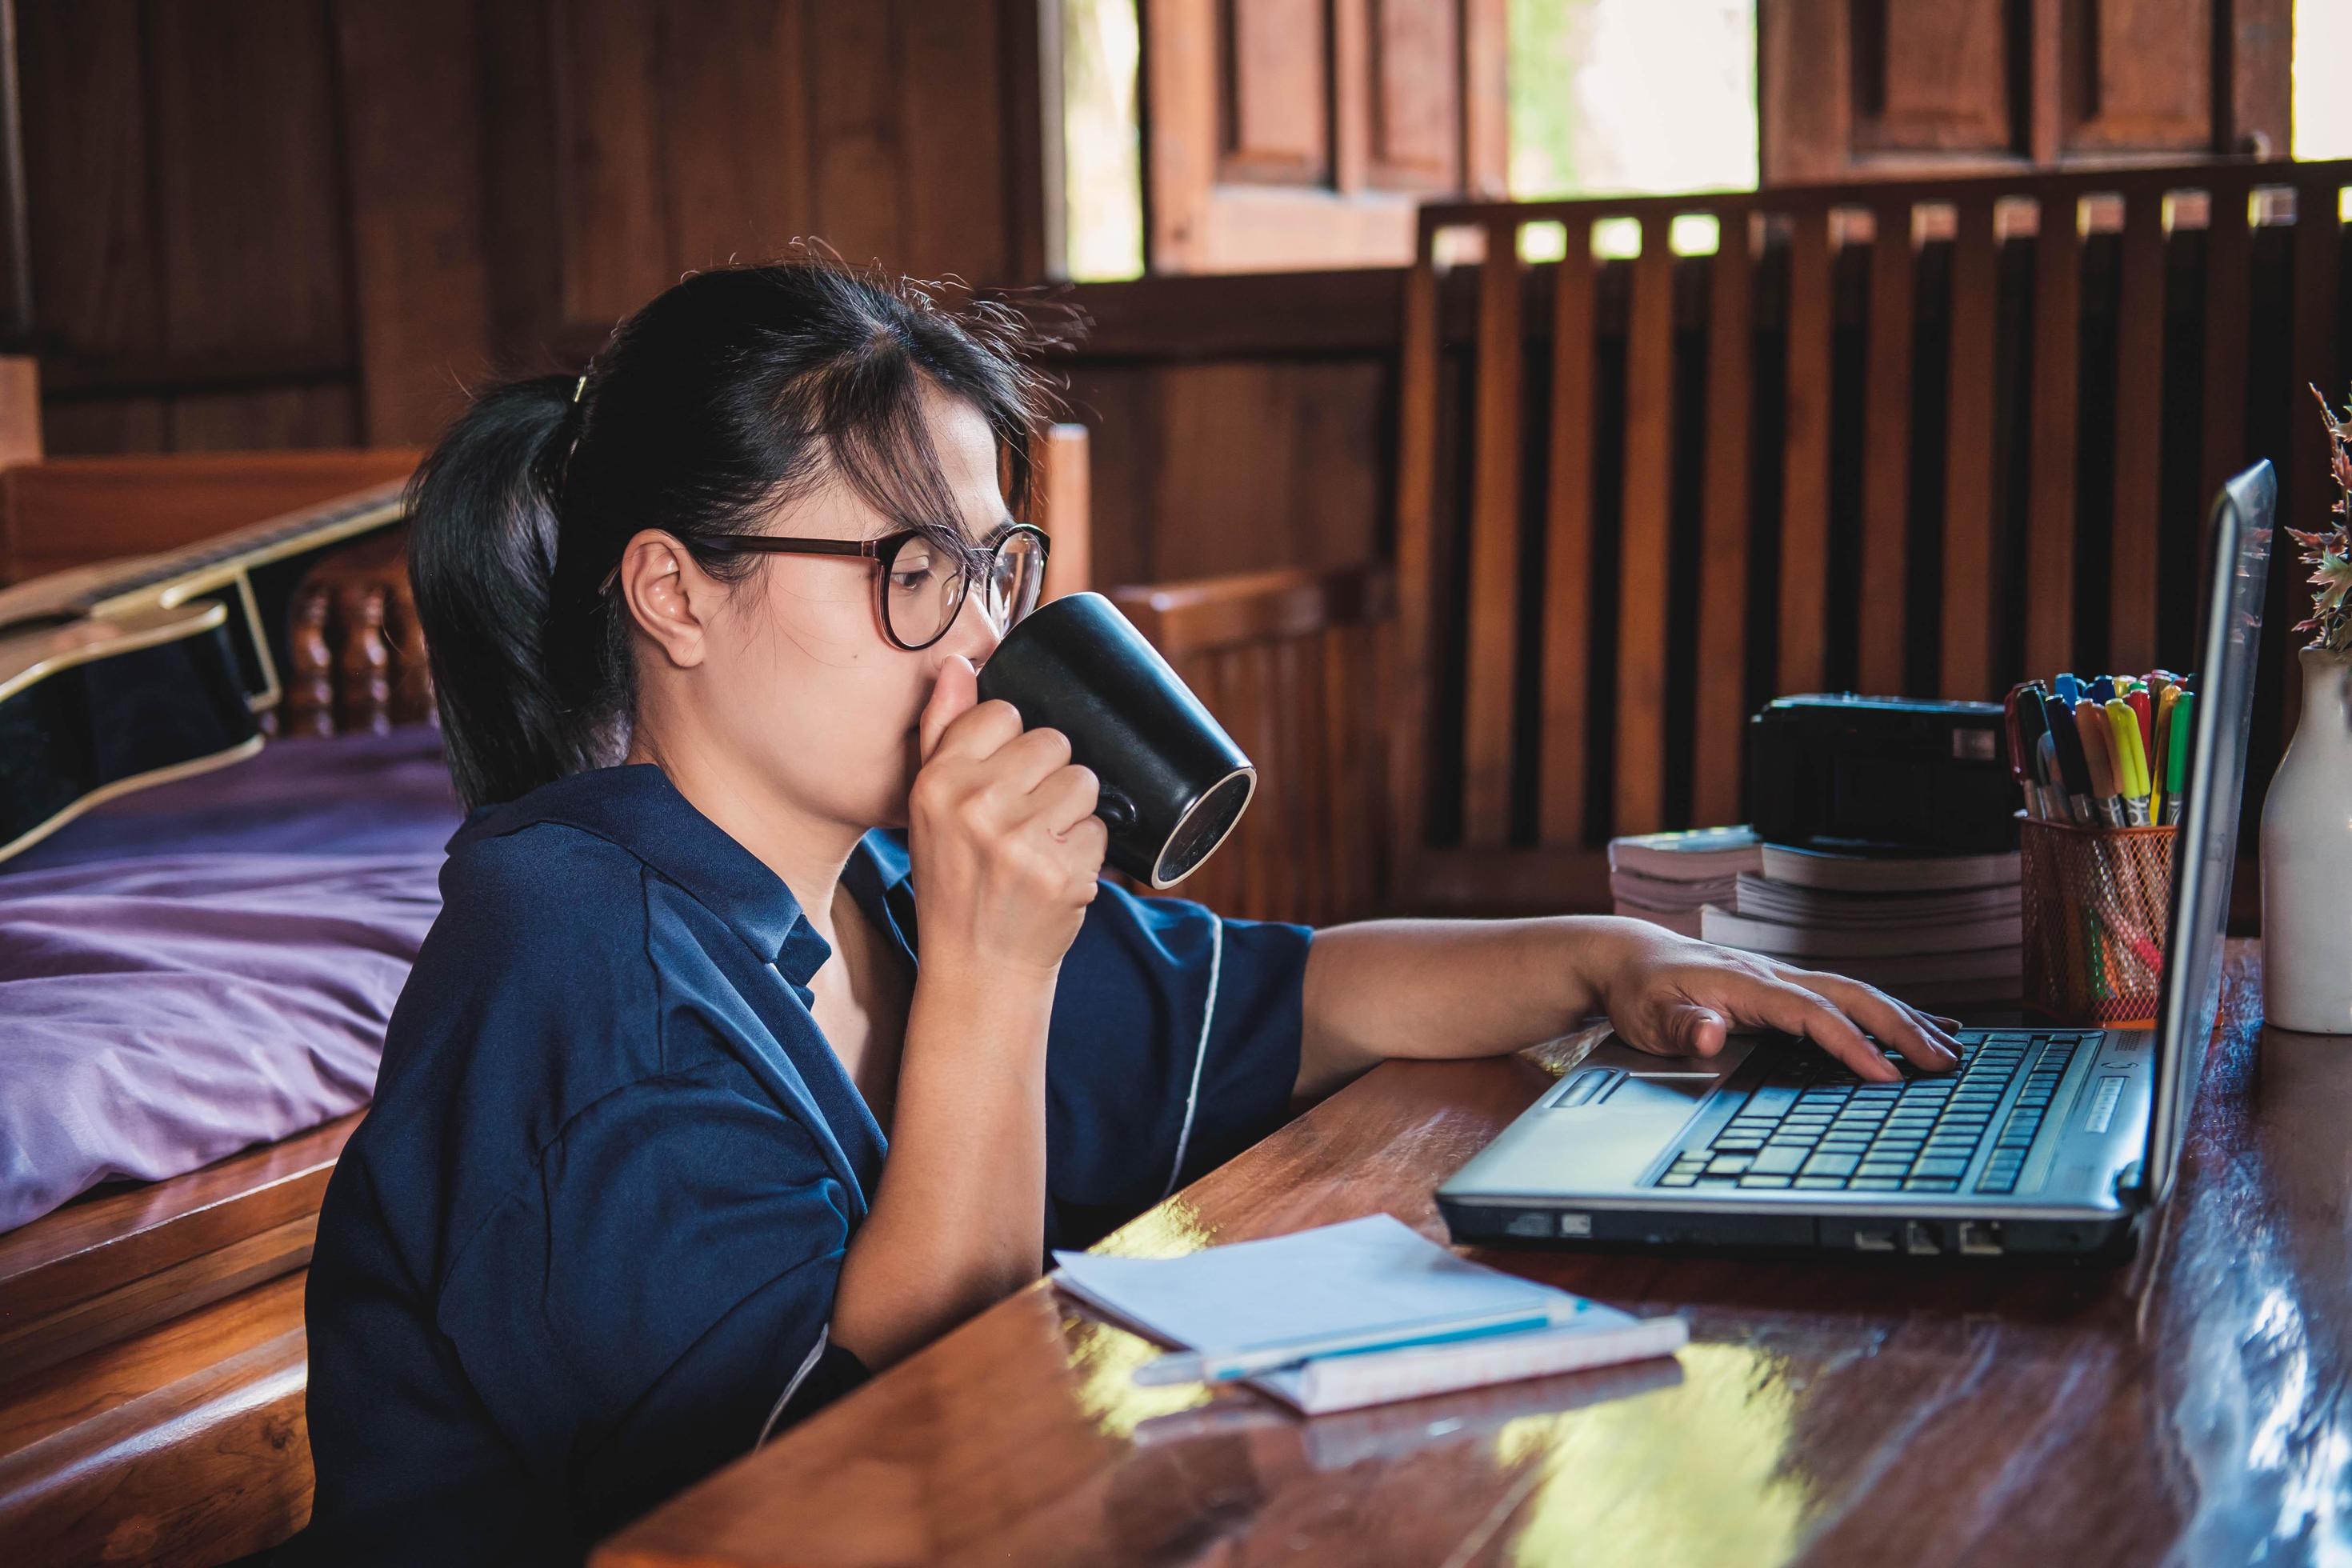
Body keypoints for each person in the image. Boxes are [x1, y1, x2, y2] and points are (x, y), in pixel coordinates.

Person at [289, 255, 1963, 1566]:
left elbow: (1303, 998)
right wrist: (998, 976)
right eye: (908, 572)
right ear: (673, 592)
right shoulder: (572, 952)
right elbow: (866, 1472)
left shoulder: (884, 884)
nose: (972, 643)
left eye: (991, 566)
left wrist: (1618, 957)